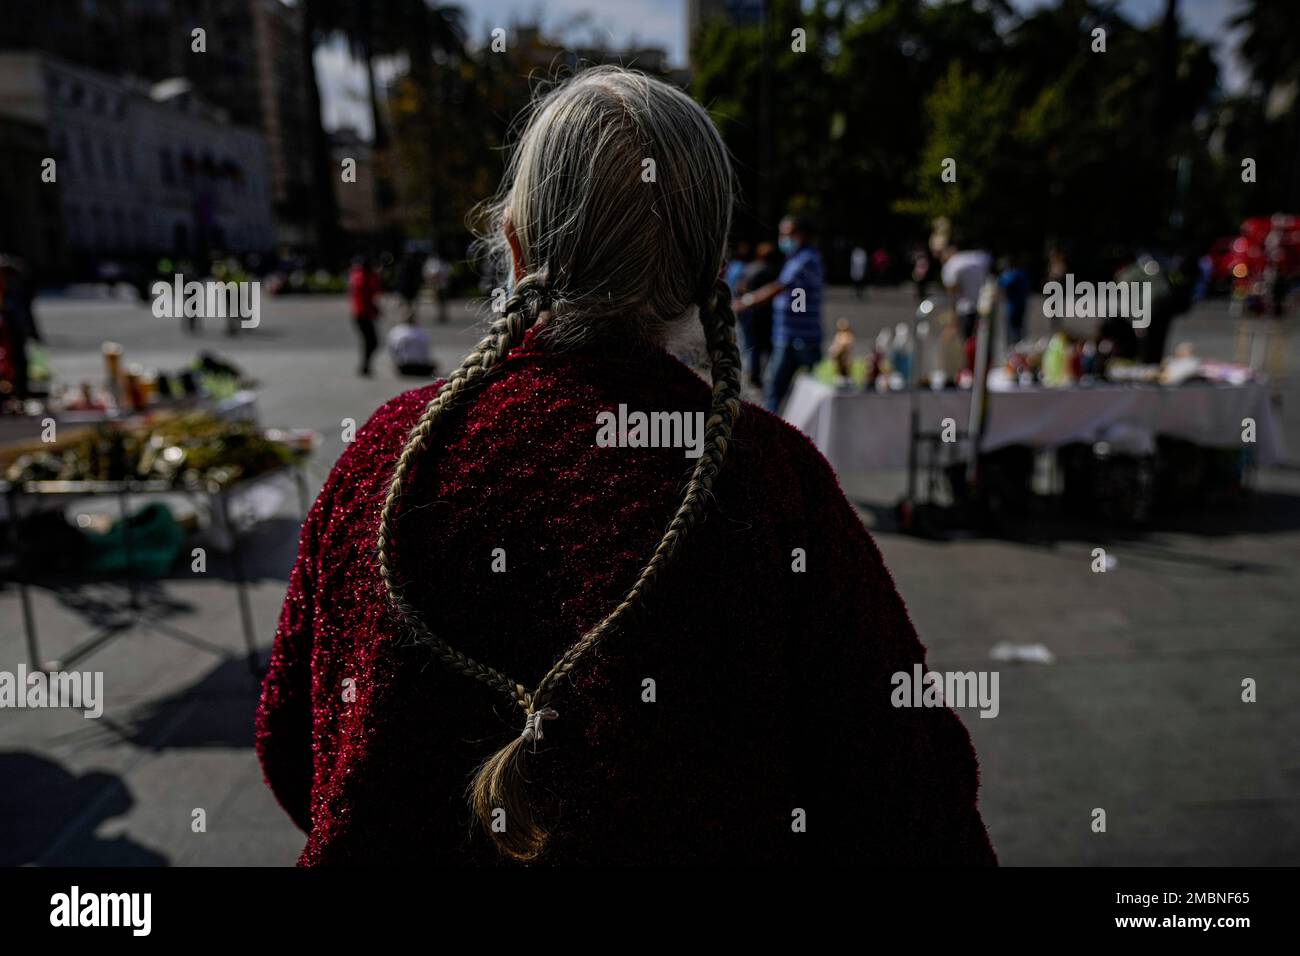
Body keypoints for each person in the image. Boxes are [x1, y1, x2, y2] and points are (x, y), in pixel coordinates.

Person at [256, 66, 995, 867]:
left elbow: (296, 747)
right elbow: (911, 790)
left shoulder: (388, 455)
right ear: (712, 267)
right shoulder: (775, 480)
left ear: (512, 241)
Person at [735, 215, 826, 413]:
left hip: (797, 339)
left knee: (778, 391)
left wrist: (746, 302)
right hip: (792, 335)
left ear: (801, 235)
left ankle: (773, 432)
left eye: (787, 234)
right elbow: (797, 296)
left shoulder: (805, 259)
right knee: (786, 391)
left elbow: (780, 287)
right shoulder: (799, 258)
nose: (783, 239)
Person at [737, 241, 780, 389]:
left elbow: (740, 287)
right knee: (768, 347)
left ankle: (753, 375)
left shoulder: (749, 268)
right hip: (766, 314)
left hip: (749, 313)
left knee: (752, 346)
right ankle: (769, 375)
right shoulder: (773, 271)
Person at [940, 244, 992, 341]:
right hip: (983, 305)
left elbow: (952, 292)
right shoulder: (976, 257)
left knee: (967, 340)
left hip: (965, 308)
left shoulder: (951, 265)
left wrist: (953, 319)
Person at [348, 256, 383, 377]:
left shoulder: (358, 276)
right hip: (363, 314)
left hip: (360, 313)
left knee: (369, 342)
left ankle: (365, 366)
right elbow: (368, 297)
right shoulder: (365, 278)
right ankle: (365, 366)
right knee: (372, 342)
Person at [996, 257, 1030, 346]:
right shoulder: (1022, 273)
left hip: (1012, 305)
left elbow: (1004, 285)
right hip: (1021, 303)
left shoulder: (1011, 275)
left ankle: (1013, 346)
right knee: (1019, 327)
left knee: (1012, 328)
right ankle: (1019, 344)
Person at [396, 250, 426, 323]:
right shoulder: (417, 264)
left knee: (406, 304)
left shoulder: (403, 265)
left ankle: (406, 318)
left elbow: (399, 277)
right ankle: (410, 318)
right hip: (412, 288)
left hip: (405, 288)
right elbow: (419, 277)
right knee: (411, 305)